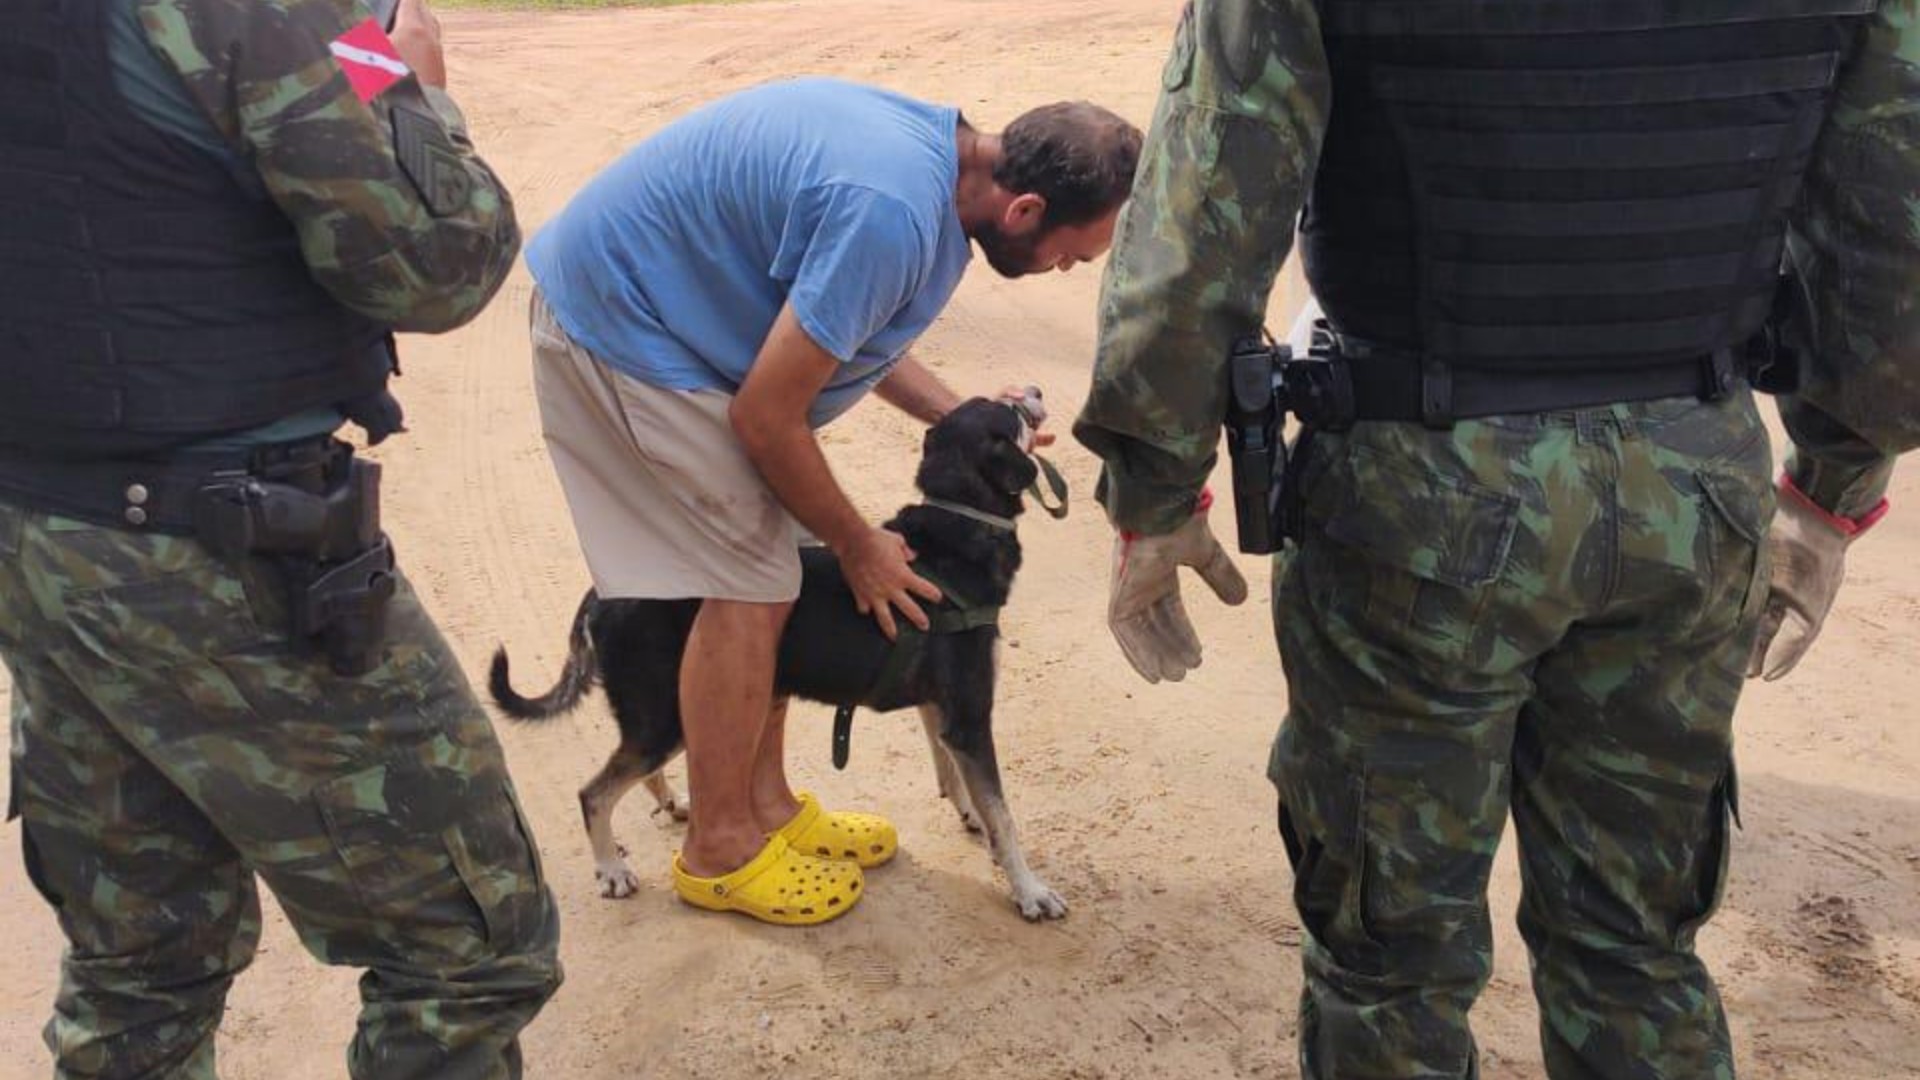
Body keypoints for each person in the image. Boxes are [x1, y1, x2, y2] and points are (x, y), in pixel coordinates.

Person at [1072, 0, 1918, 1075]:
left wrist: (1153, 489)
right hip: (1690, 491)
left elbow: (1200, 229)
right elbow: (1894, 239)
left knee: (1388, 969)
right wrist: (1837, 481)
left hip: (1420, 504)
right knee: (1637, 949)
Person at [0, 0, 560, 1074]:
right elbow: (438, 263)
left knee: (137, 966)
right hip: (219, 552)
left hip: (41, 539)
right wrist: (408, 83)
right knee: (469, 948)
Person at [525, 76, 1139, 925]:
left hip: (676, 319)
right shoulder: (889, 212)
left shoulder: (942, 168)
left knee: (770, 560)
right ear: (1026, 210)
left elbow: (848, 330)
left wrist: (964, 421)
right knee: (751, 575)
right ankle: (720, 847)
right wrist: (857, 543)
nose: (1061, 271)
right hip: (618, 323)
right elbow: (767, 419)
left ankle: (765, 804)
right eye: (1070, 255)